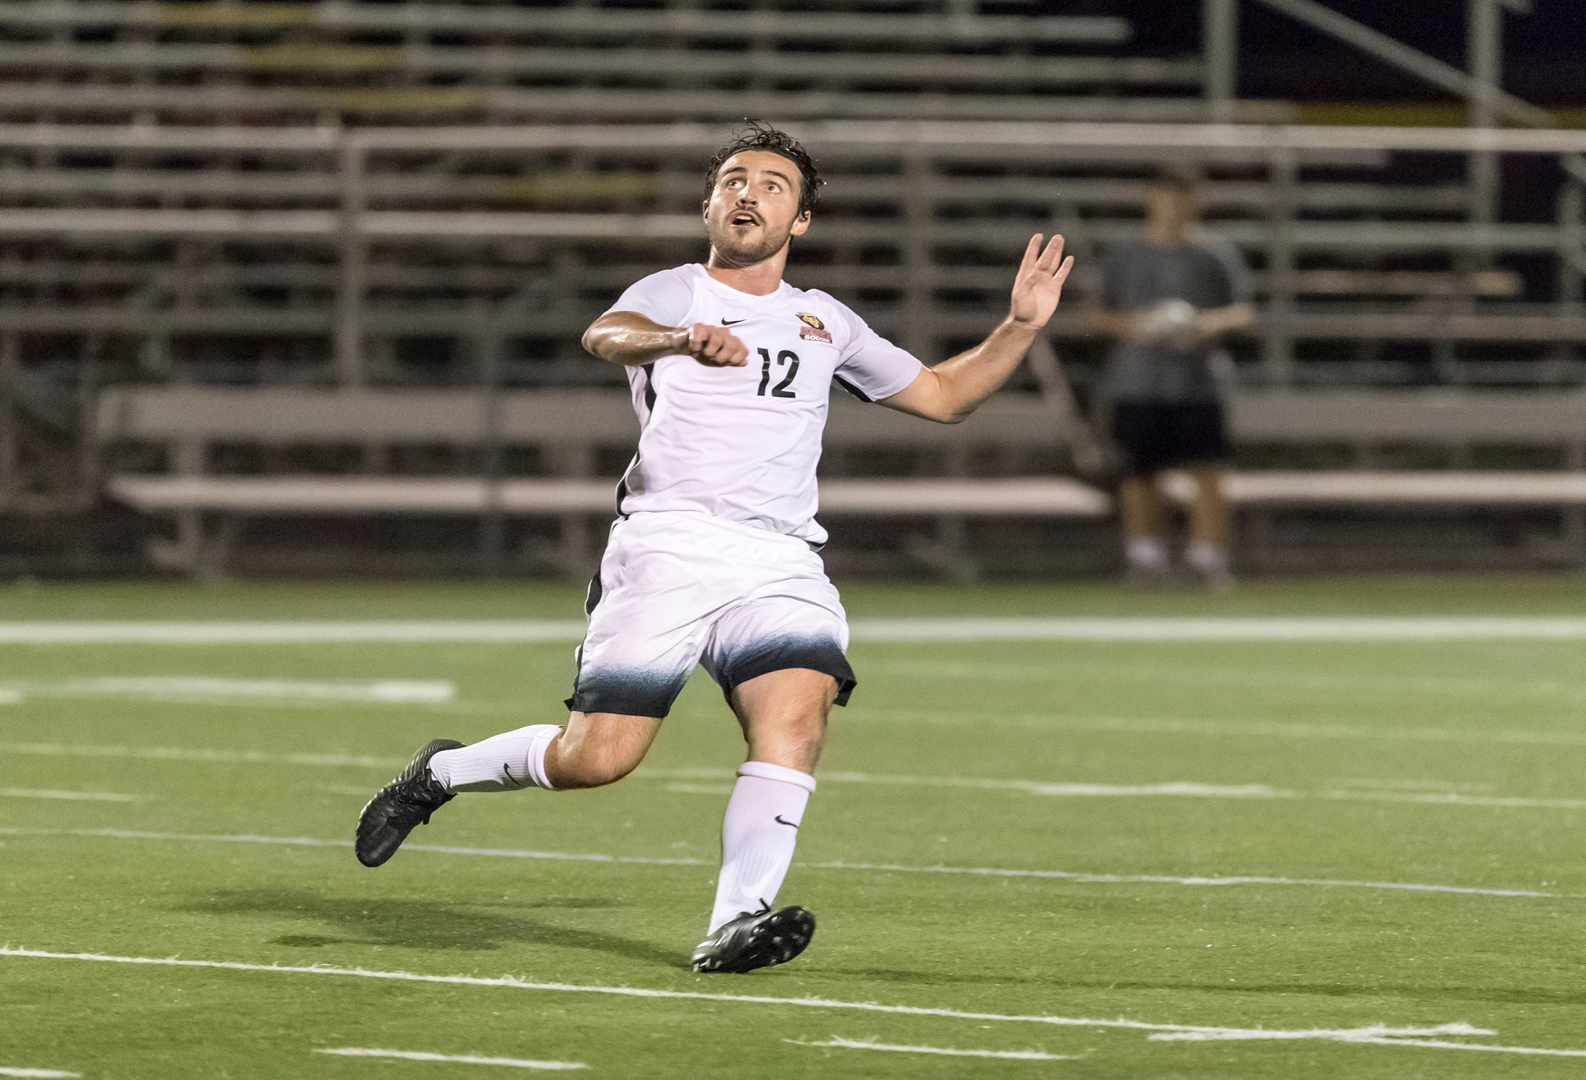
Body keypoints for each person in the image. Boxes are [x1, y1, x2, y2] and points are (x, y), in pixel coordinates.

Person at [355, 122, 1073, 974]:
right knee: (597, 760)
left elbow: (947, 396)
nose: (749, 194)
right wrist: (676, 339)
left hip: (779, 558)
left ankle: (737, 922)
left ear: (798, 222)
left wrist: (1020, 327)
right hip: (670, 543)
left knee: (795, 719)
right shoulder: (676, 291)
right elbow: (604, 335)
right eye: (734, 179)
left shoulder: (824, 320)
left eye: (773, 186)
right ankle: (441, 772)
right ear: (708, 203)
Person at [1083, 169, 1256, 589]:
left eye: (1183, 197)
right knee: (1140, 472)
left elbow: (1242, 312)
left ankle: (1207, 560)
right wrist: (1141, 324)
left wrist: (1200, 324)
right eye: (1167, 196)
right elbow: (1093, 316)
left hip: (1197, 381)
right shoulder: (1125, 255)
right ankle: (1145, 559)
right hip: (1139, 381)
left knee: (1208, 470)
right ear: (1151, 199)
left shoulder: (1214, 254)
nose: (1175, 206)